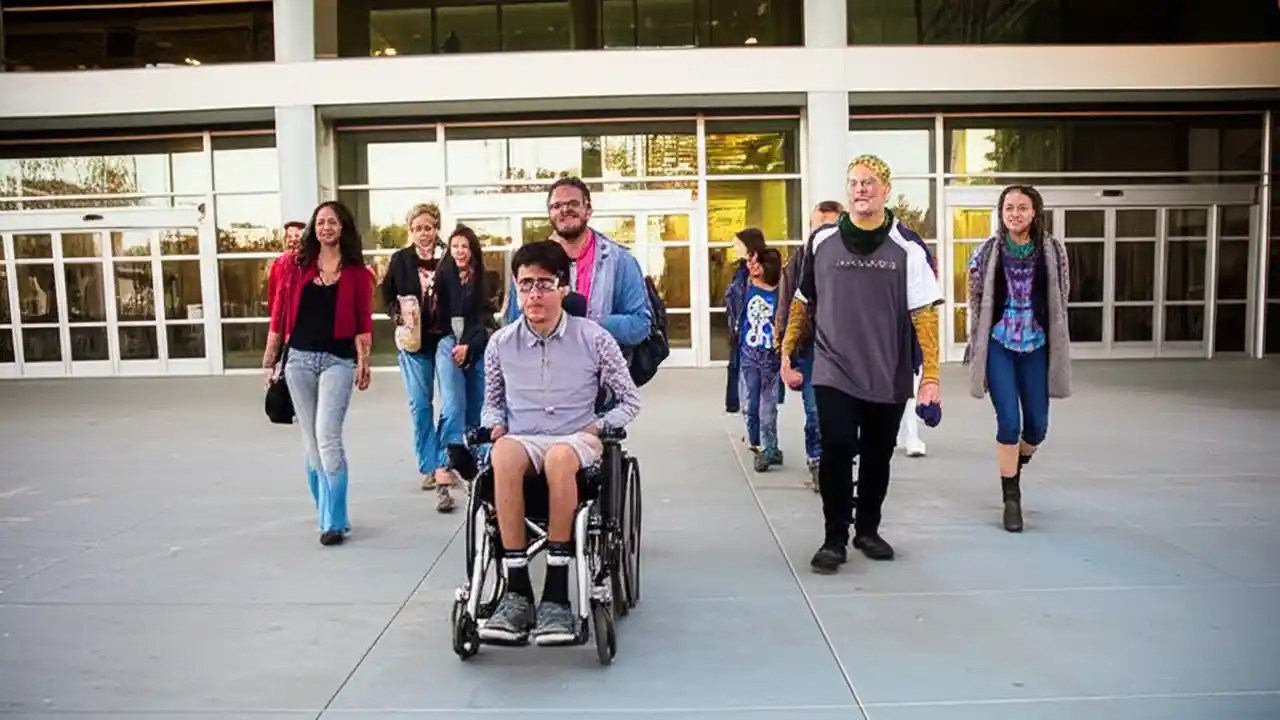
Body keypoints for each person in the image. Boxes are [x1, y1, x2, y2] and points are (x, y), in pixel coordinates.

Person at [780, 154, 942, 573]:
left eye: (869, 182)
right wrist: (787, 351)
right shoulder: (821, 241)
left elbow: (924, 314)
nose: (860, 189)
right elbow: (802, 301)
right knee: (836, 448)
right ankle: (834, 537)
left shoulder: (907, 247)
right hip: (833, 366)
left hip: (888, 370)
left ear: (886, 189)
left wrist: (931, 378)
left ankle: (867, 528)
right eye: (854, 182)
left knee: (877, 454)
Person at [479, 241, 642, 646]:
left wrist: (599, 427)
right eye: (526, 284)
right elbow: (492, 405)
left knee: (559, 457)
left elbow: (630, 401)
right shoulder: (501, 343)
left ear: (564, 287)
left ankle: (555, 591)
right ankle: (516, 590)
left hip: (576, 439)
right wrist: (495, 426)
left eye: (544, 284)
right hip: (523, 438)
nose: (534, 294)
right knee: (503, 453)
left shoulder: (594, 338)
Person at [262, 201, 373, 547]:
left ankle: (334, 522)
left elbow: (363, 325)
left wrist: (363, 362)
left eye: (333, 222)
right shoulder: (297, 268)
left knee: (328, 437)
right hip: (298, 363)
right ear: (314, 228)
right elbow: (279, 316)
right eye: (321, 222)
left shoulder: (357, 274)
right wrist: (271, 362)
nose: (326, 227)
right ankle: (327, 513)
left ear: (343, 228)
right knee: (311, 445)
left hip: (338, 362)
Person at [965, 184, 1072, 533]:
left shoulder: (1053, 251)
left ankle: (1015, 463)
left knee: (1037, 426)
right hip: (1000, 346)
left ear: (1035, 212)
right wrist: (976, 343)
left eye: (1022, 207)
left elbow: (1062, 295)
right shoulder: (986, 251)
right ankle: (1011, 497)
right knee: (1008, 422)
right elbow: (976, 298)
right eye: (1008, 207)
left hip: (1037, 346)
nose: (1015, 213)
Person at [502, 177, 650, 349]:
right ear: (549, 214)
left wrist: (588, 321)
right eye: (556, 206)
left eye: (573, 203)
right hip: (544, 370)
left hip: (601, 371)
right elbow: (512, 326)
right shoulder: (528, 264)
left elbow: (640, 325)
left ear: (588, 210)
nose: (565, 210)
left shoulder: (620, 261)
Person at [380, 202, 454, 509]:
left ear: (437, 228)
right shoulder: (401, 260)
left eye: (429, 227)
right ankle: (430, 465)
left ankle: (444, 462)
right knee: (420, 404)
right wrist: (399, 315)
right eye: (418, 228)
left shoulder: (449, 258)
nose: (424, 233)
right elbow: (386, 294)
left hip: (444, 338)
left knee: (451, 401)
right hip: (413, 343)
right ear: (411, 230)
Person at [777, 202, 842, 487]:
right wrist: (786, 353)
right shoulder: (798, 263)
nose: (825, 232)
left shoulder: (853, 259)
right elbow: (785, 306)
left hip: (847, 349)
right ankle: (817, 463)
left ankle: (839, 462)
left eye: (832, 225)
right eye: (820, 225)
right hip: (811, 346)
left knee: (845, 412)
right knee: (815, 409)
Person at [434, 224, 490, 481]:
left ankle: (476, 454)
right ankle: (449, 455)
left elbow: (482, 316)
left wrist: (468, 344)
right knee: (454, 401)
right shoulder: (444, 273)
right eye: (454, 246)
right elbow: (442, 314)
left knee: (477, 401)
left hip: (476, 343)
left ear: (472, 249)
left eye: (464, 246)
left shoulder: (482, 277)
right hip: (448, 340)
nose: (459, 251)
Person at [735, 245, 784, 472]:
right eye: (750, 262)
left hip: (770, 357)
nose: (752, 266)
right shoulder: (744, 285)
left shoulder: (780, 291)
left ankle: (768, 447)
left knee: (768, 406)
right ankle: (757, 443)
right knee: (750, 404)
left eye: (757, 262)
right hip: (748, 354)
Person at [724, 228, 768, 414]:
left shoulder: (758, 271)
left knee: (754, 384)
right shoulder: (740, 272)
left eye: (737, 244)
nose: (733, 247)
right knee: (741, 376)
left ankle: (758, 431)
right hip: (740, 332)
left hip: (754, 333)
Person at [266, 220, 306, 316]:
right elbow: (273, 293)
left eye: (297, 236)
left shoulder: (310, 264)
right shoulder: (278, 264)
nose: (293, 240)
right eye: (289, 236)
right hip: (284, 316)